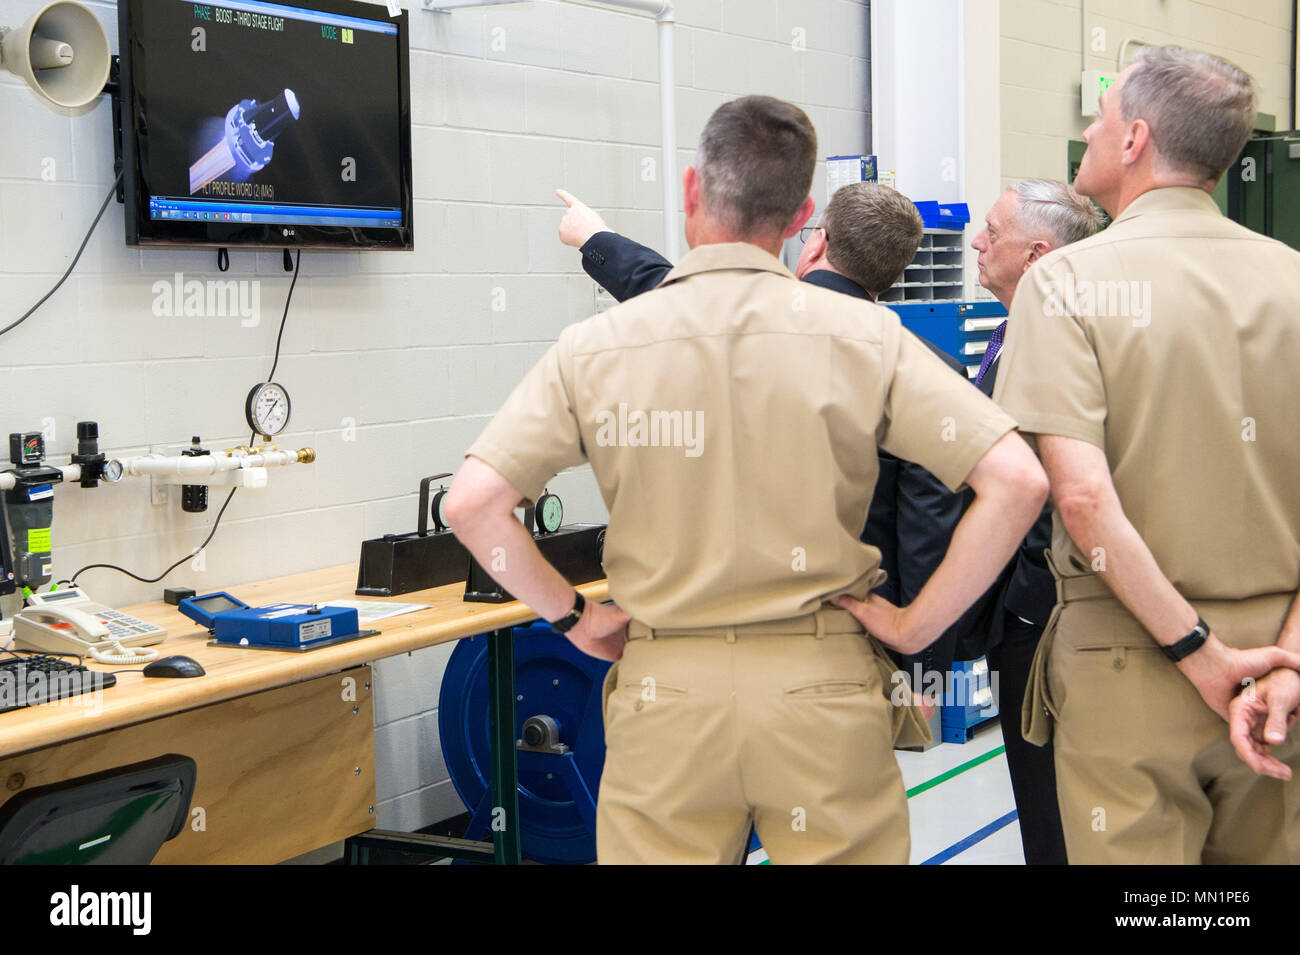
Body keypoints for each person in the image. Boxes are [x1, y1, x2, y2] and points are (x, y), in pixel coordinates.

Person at [447, 94, 1048, 863]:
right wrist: (915, 627)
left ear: (694, 191)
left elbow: (472, 506)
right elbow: (1019, 482)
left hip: (666, 694)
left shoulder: (594, 346)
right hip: (822, 693)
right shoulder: (868, 337)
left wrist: (573, 618)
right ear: (801, 215)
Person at [994, 45, 1300, 863]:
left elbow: (1084, 502)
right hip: (1280, 668)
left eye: (1098, 118)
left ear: (1133, 140)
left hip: (1132, 653)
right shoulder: (1293, 278)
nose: (1087, 134)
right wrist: (1289, 659)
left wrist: (1197, 652)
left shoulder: (1064, 285)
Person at [558, 182, 980, 709]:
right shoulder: (937, 372)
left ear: (817, 244)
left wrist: (593, 237)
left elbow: (661, 287)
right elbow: (929, 539)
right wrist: (925, 674)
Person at [966, 179, 1105, 864]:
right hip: (1020, 612)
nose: (975, 242)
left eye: (992, 231)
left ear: (1036, 252)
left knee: (1057, 811)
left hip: (1046, 612)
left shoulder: (1066, 342)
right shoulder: (1008, 332)